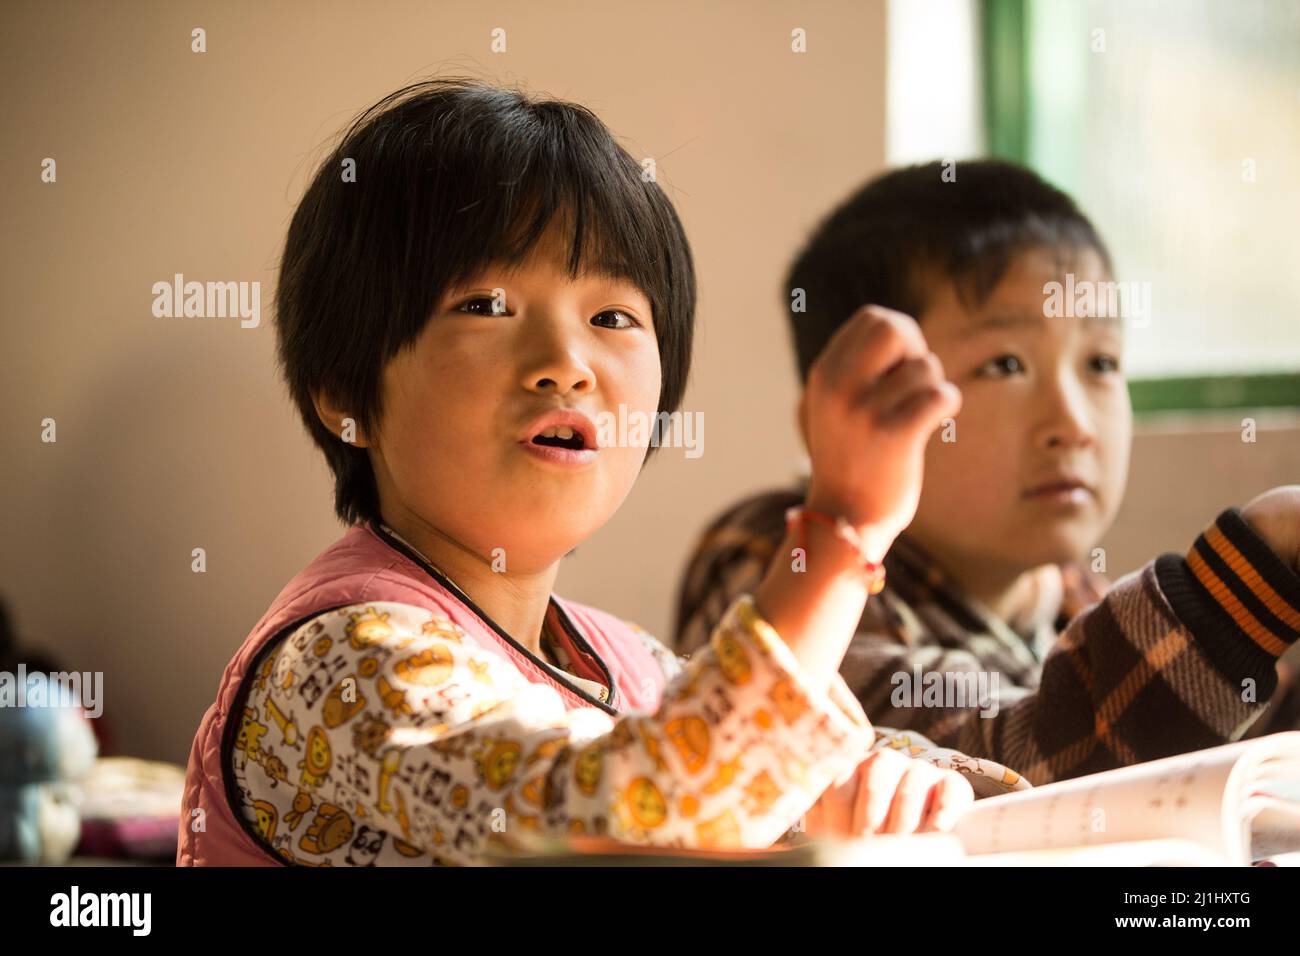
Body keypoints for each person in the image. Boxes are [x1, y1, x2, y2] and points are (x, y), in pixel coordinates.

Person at [176, 82, 1015, 867]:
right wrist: (843, 531)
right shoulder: (343, 662)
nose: (565, 365)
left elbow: (811, 756)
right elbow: (647, 807)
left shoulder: (628, 661)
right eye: (485, 306)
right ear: (344, 395)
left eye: (613, 317)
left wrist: (911, 788)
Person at [675, 160, 1300, 784]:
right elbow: (1016, 772)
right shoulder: (780, 565)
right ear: (841, 416)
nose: (1073, 422)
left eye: (1102, 362)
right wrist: (1256, 564)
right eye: (1004, 365)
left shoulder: (1072, 596)